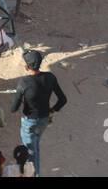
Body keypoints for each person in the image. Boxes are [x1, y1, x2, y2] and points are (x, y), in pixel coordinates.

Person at [10, 48, 67, 176]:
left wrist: (20, 97)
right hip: (44, 119)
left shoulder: (24, 83)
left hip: (29, 122)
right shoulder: (50, 77)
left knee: (31, 151)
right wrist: (52, 110)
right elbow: (63, 100)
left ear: (26, 66)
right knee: (35, 145)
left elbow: (13, 109)